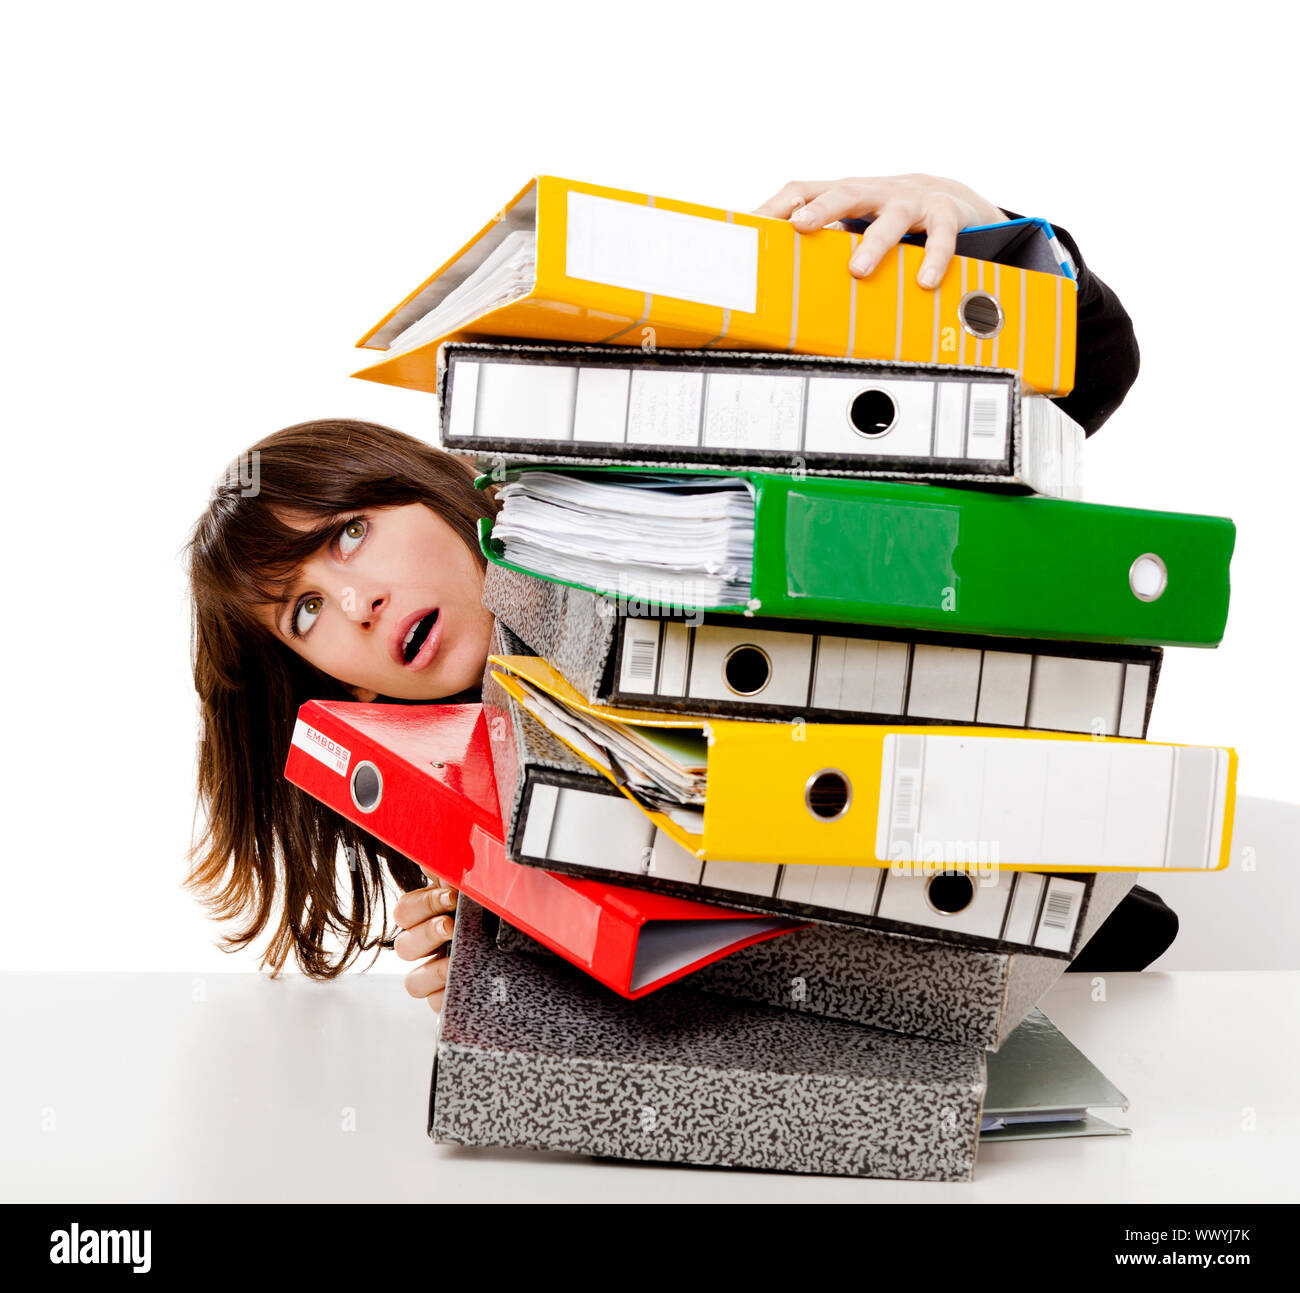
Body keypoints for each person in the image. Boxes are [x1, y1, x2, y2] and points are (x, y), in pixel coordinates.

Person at [185, 173, 1172, 1015]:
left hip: (1090, 962)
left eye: (349, 534)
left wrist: (989, 251)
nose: (354, 600)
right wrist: (530, 980)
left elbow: (1080, 382)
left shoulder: (672, 513)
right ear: (333, 687)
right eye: (305, 610)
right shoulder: (455, 816)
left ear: (437, 490)